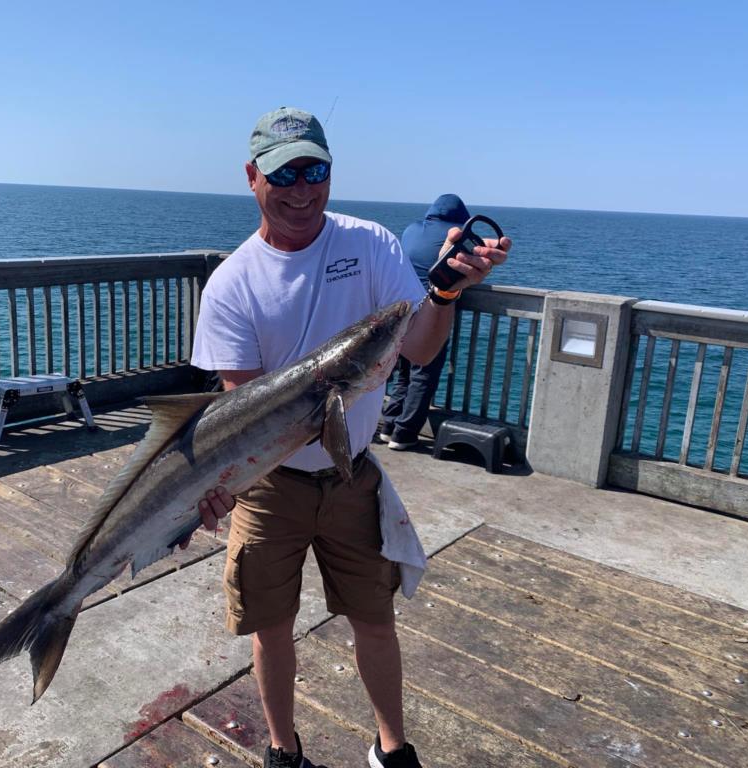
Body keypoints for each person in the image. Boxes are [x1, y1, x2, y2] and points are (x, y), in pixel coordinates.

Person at [189, 107, 509, 768]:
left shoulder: (368, 245)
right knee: (271, 628)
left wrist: (447, 290)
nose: (302, 188)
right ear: (253, 177)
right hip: (270, 487)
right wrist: (218, 486)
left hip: (353, 476)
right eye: (284, 174)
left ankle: (392, 749)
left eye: (316, 170)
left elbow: (417, 346)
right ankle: (283, 750)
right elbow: (245, 416)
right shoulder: (231, 286)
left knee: (375, 619)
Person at [381, 194, 472, 450]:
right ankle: (405, 433)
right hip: (431, 309)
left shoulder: (411, 230)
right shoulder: (456, 235)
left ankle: (388, 424)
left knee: (403, 372)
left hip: (403, 310)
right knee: (424, 374)